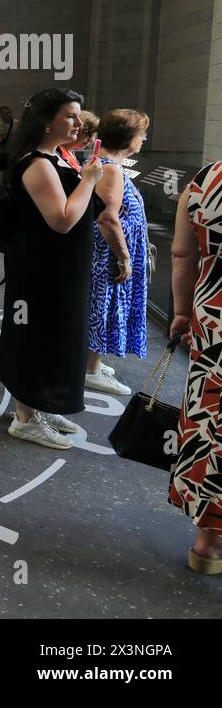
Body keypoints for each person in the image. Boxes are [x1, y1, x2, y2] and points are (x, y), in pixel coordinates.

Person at [0, 89, 103, 448]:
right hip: (41, 270)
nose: (78, 123)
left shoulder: (57, 157)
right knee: (35, 337)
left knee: (55, 335)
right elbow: (61, 220)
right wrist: (89, 179)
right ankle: (25, 417)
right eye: (70, 116)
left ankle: (39, 403)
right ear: (46, 121)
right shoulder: (38, 163)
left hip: (60, 267)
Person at [168, 159, 222, 573]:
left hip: (214, 321)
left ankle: (207, 544)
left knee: (213, 422)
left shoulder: (205, 179)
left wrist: (183, 311)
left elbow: (183, 252)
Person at [86, 109, 151, 396]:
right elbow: (107, 219)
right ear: (129, 137)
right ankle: (90, 369)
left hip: (109, 251)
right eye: (142, 133)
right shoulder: (110, 169)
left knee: (106, 307)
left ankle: (93, 363)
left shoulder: (110, 165)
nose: (144, 139)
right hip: (108, 255)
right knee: (104, 307)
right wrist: (124, 256)